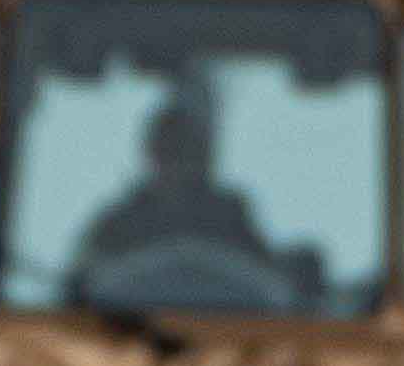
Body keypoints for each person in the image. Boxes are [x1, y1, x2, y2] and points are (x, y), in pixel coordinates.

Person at [69, 104, 272, 291]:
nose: (173, 163)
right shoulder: (116, 227)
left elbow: (270, 284)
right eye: (165, 151)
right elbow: (82, 285)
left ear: (201, 157)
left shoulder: (232, 219)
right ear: (150, 154)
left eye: (182, 152)